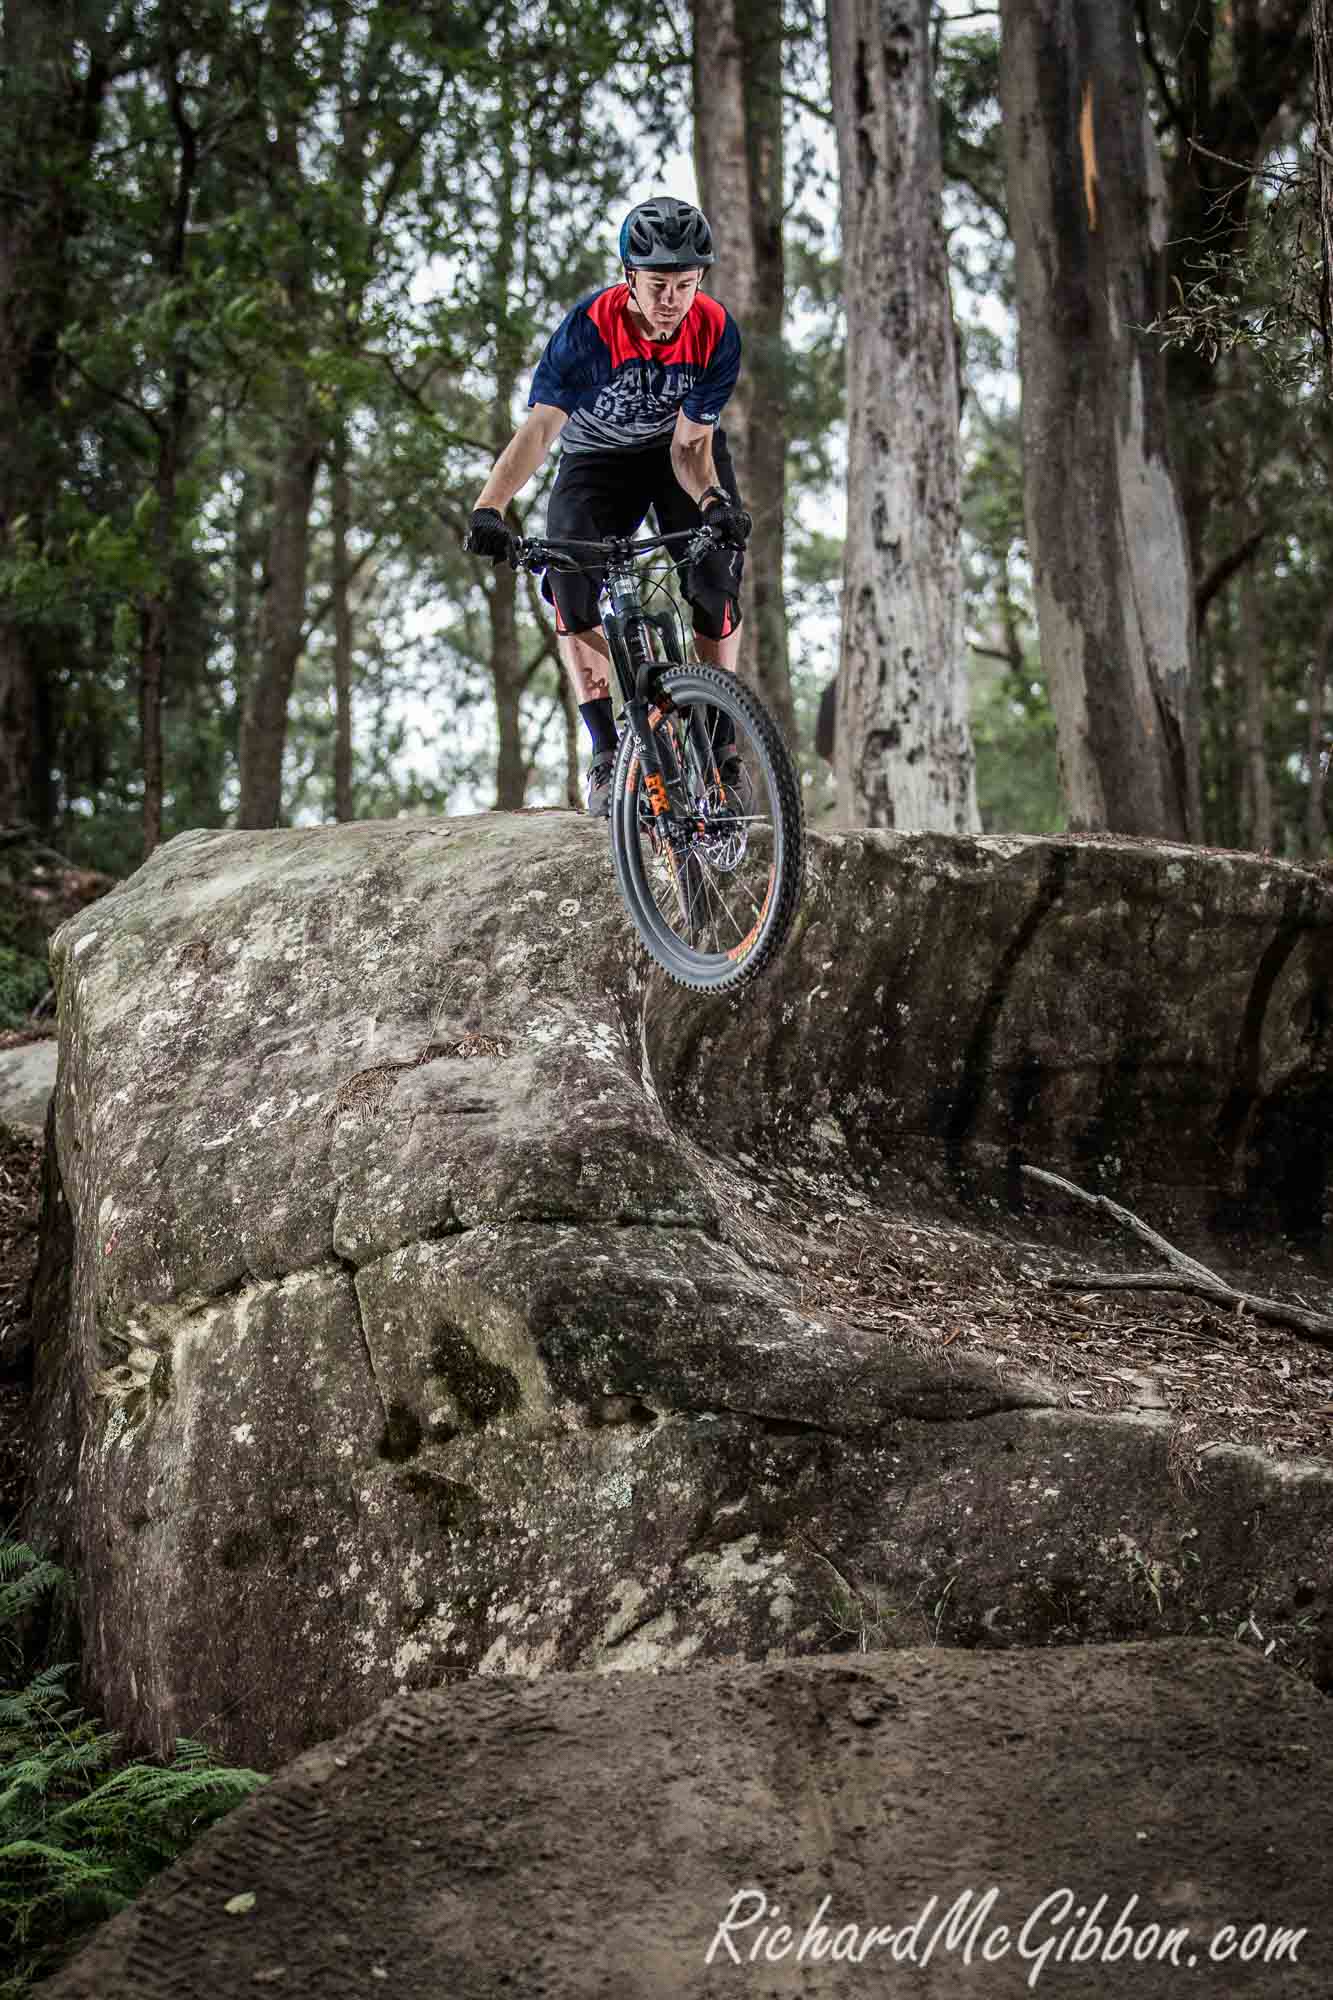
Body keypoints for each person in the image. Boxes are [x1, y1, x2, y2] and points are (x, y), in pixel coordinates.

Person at [465, 196, 752, 817]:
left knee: (714, 579)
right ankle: (603, 750)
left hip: (678, 453)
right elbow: (541, 429)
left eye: (685, 283)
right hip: (597, 463)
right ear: (629, 277)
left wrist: (712, 502)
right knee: (570, 588)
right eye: (658, 285)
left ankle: (722, 742)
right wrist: (490, 507)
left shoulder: (715, 332)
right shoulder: (589, 331)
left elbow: (692, 446)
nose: (672, 299)